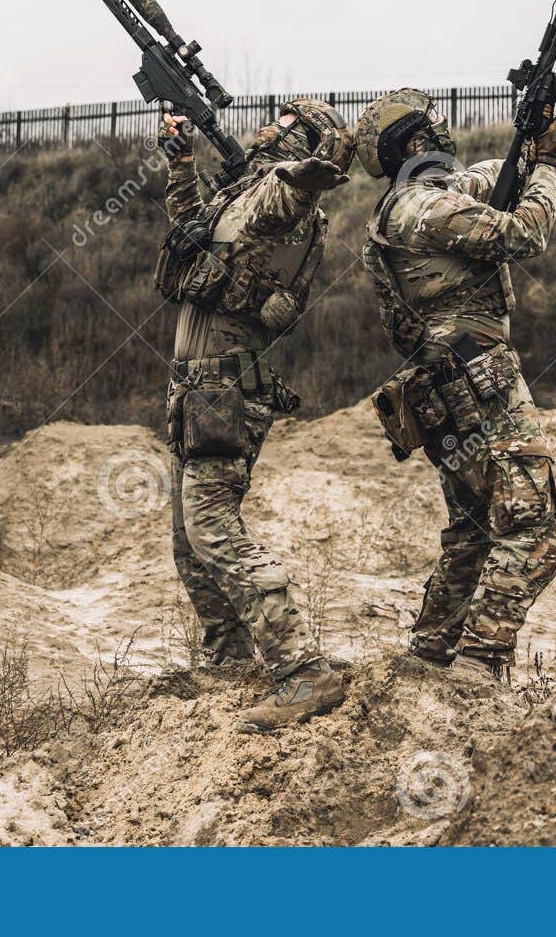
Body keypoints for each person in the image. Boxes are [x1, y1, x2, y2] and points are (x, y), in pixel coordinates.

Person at [354, 88, 556, 680]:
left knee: (474, 532)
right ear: (415, 141)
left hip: (448, 382)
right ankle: (480, 663)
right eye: (438, 125)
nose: (449, 131)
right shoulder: (415, 209)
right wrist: (549, 169)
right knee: (530, 530)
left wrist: (528, 143)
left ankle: (430, 657)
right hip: (476, 374)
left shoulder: (421, 201)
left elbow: (485, 178)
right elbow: (524, 234)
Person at [156, 99, 352, 730]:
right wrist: (182, 162)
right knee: (189, 540)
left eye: (287, 125)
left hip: (225, 390)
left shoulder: (282, 206)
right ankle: (228, 658)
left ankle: (304, 670)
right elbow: (192, 232)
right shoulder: (244, 202)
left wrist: (315, 165)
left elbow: (291, 195)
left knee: (211, 527)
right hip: (196, 388)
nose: (271, 127)